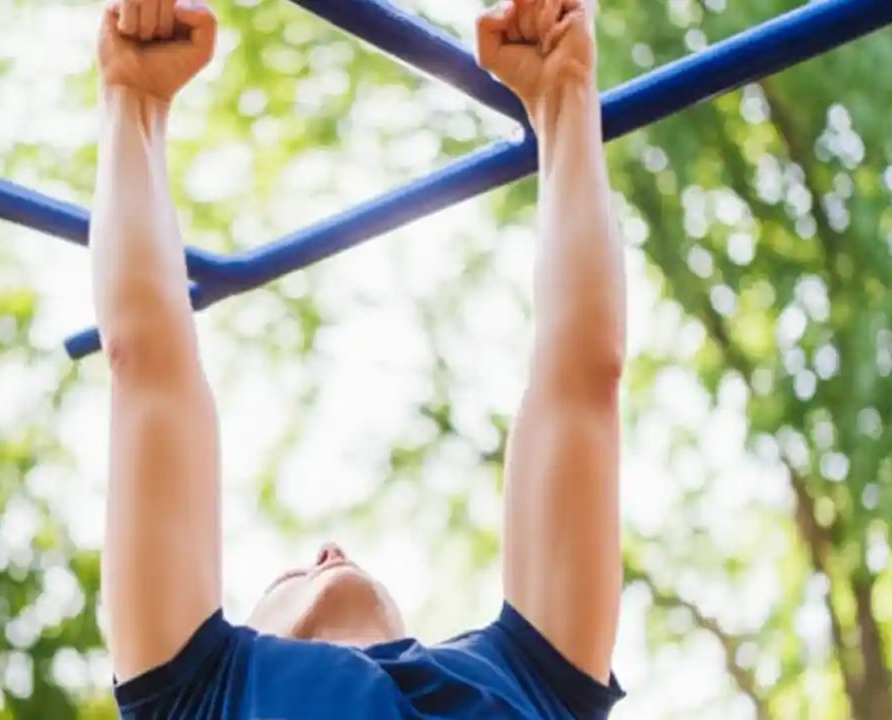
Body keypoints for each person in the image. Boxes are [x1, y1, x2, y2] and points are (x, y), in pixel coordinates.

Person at [91, 0, 626, 716]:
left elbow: (148, 368)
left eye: (286, 574)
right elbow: (584, 376)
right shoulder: (531, 682)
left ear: (247, 632)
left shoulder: (201, 695)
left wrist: (134, 97)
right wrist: (565, 94)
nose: (329, 551)